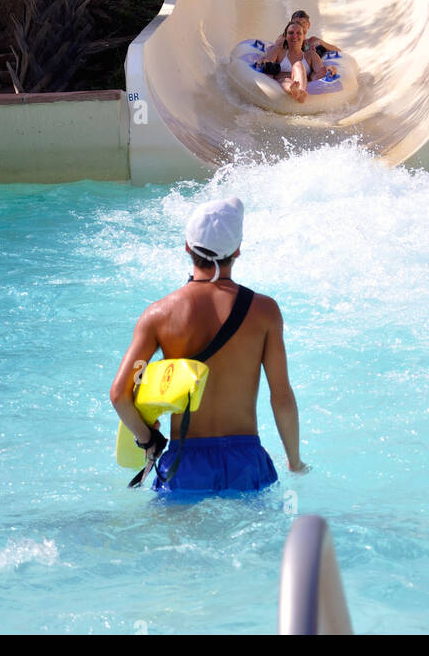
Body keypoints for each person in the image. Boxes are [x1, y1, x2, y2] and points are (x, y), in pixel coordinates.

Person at [109, 196, 308, 494]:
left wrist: (147, 441)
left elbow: (119, 396)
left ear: (188, 247)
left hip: (184, 465)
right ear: (237, 250)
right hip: (246, 461)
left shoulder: (158, 314)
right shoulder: (265, 311)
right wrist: (294, 460)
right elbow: (281, 397)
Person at [259, 18, 327, 104]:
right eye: (291, 33)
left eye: (298, 33)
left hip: (301, 81)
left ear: (303, 37)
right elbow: (265, 65)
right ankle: (295, 91)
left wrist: (326, 72)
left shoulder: (310, 55)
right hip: (282, 84)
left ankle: (300, 92)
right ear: (286, 36)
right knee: (286, 81)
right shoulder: (278, 51)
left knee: (298, 65)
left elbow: (321, 71)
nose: (294, 36)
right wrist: (262, 62)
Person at [269, 10, 340, 58]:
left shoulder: (312, 41)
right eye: (297, 23)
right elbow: (276, 48)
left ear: (308, 25)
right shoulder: (285, 38)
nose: (301, 26)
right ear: (291, 25)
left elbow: (338, 51)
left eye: (303, 23)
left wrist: (320, 42)